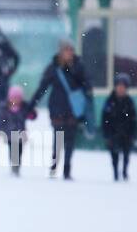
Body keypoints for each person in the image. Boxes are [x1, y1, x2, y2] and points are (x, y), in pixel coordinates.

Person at [29, 39, 94, 181]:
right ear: (61, 51)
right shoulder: (53, 68)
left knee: (70, 140)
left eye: (71, 49)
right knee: (58, 140)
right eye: (67, 49)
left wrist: (86, 92)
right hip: (57, 108)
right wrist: (31, 105)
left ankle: (67, 170)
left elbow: (87, 85)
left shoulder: (79, 66)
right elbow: (42, 88)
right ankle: (54, 168)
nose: (70, 52)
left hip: (73, 110)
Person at [100, 73, 137, 182]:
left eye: (123, 86)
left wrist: (132, 134)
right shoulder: (110, 101)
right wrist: (106, 134)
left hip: (126, 133)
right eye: (119, 86)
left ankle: (125, 172)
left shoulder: (129, 102)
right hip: (113, 133)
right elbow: (104, 118)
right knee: (114, 155)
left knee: (126, 154)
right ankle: (116, 173)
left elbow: (134, 119)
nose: (121, 89)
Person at [0, 85, 37, 176]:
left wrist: (31, 112)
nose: (15, 100)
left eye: (18, 98)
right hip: (9, 135)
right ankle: (14, 167)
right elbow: (0, 122)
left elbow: (33, 116)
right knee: (12, 151)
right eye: (14, 98)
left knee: (20, 152)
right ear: (9, 98)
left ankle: (17, 167)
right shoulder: (4, 108)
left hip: (21, 135)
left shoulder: (24, 107)